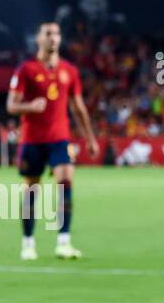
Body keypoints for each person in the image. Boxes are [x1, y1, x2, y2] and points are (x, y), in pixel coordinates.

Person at [6, 22, 99, 261]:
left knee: (66, 181)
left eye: (56, 33)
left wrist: (89, 138)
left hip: (59, 138)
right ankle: (27, 243)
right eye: (48, 34)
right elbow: (11, 105)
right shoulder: (25, 70)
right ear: (38, 39)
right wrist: (30, 106)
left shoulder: (70, 71)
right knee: (31, 190)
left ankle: (64, 241)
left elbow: (78, 108)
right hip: (32, 140)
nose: (53, 38)